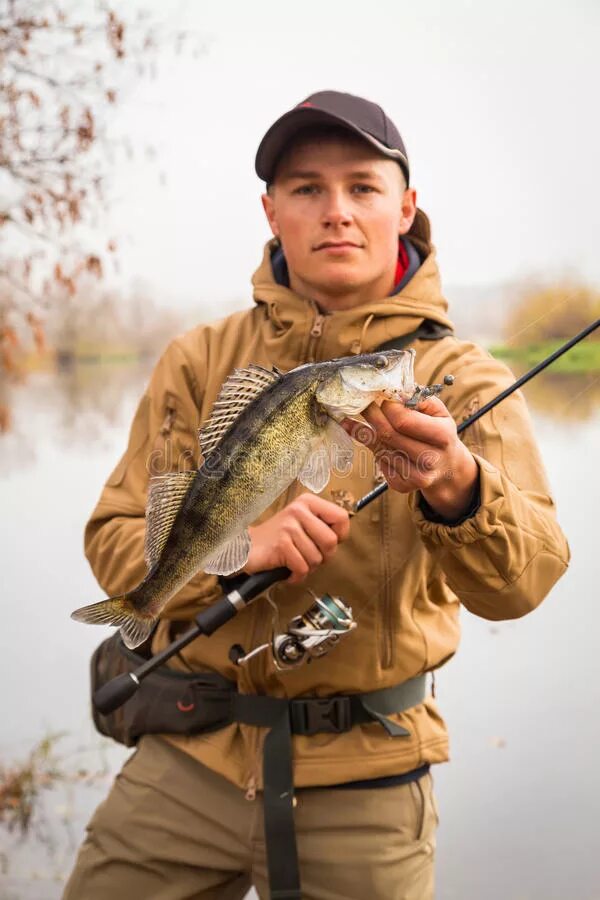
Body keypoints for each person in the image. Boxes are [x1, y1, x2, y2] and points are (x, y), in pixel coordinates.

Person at [63, 90, 570, 900]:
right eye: (306, 188)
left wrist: (456, 485)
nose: (336, 212)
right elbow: (116, 538)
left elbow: (527, 583)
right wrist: (238, 555)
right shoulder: (198, 360)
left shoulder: (465, 380)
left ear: (406, 208)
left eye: (363, 188)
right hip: (188, 757)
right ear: (271, 211)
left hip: (369, 775)